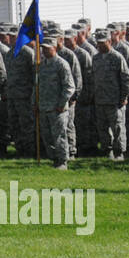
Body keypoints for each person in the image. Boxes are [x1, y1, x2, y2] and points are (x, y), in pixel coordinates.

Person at [92, 31, 129, 161]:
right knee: (103, 128)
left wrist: (124, 97)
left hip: (114, 100)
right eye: (98, 43)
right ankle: (107, 150)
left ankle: (119, 152)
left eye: (102, 43)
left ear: (109, 42)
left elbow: (127, 79)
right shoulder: (96, 58)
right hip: (100, 99)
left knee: (118, 128)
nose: (99, 45)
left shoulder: (117, 57)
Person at [37, 37, 74, 170]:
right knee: (47, 136)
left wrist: (61, 103)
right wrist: (35, 102)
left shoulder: (61, 64)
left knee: (59, 136)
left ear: (54, 48)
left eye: (47, 48)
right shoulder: (41, 65)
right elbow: (37, 85)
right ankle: (54, 159)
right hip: (44, 106)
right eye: (43, 48)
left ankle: (63, 160)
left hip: (57, 108)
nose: (44, 51)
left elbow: (69, 87)